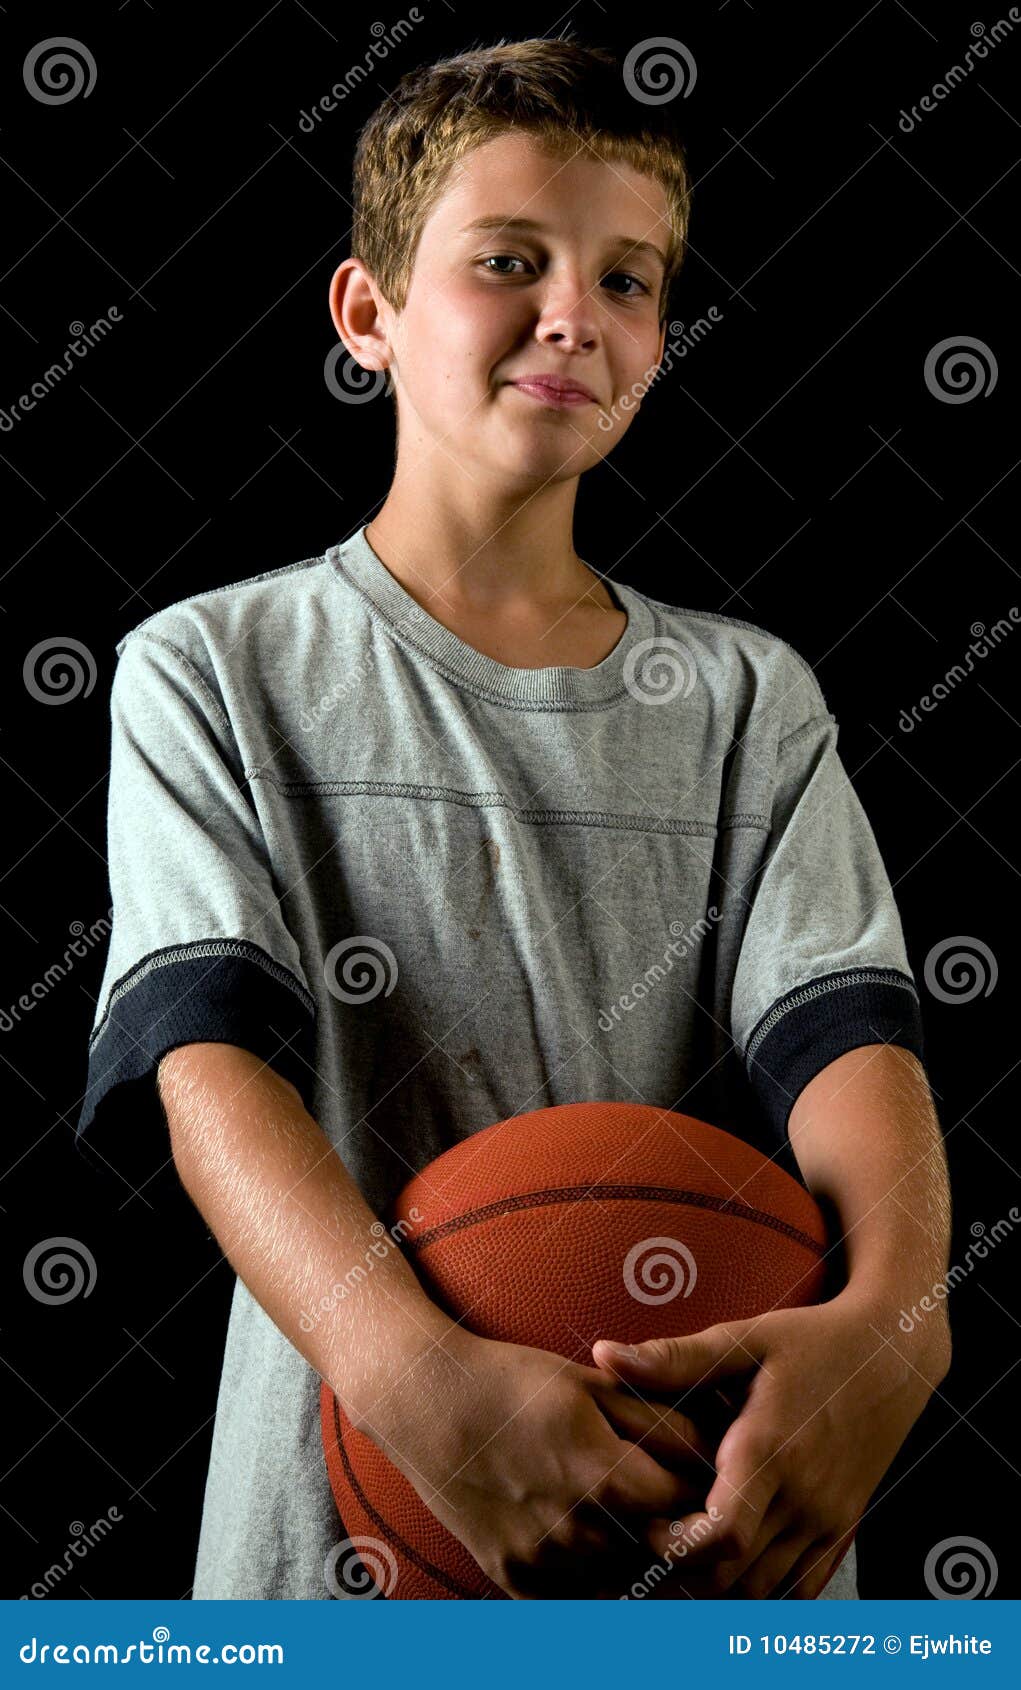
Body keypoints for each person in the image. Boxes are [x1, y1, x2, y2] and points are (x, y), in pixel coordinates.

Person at [76, 36, 952, 1601]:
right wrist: (414, 1381)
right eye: (507, 260)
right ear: (368, 315)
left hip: (701, 1535)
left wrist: (897, 1324)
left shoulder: (747, 700)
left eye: (629, 280)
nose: (575, 314)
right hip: (341, 1541)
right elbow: (205, 1072)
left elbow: (850, 1049)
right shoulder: (210, 669)